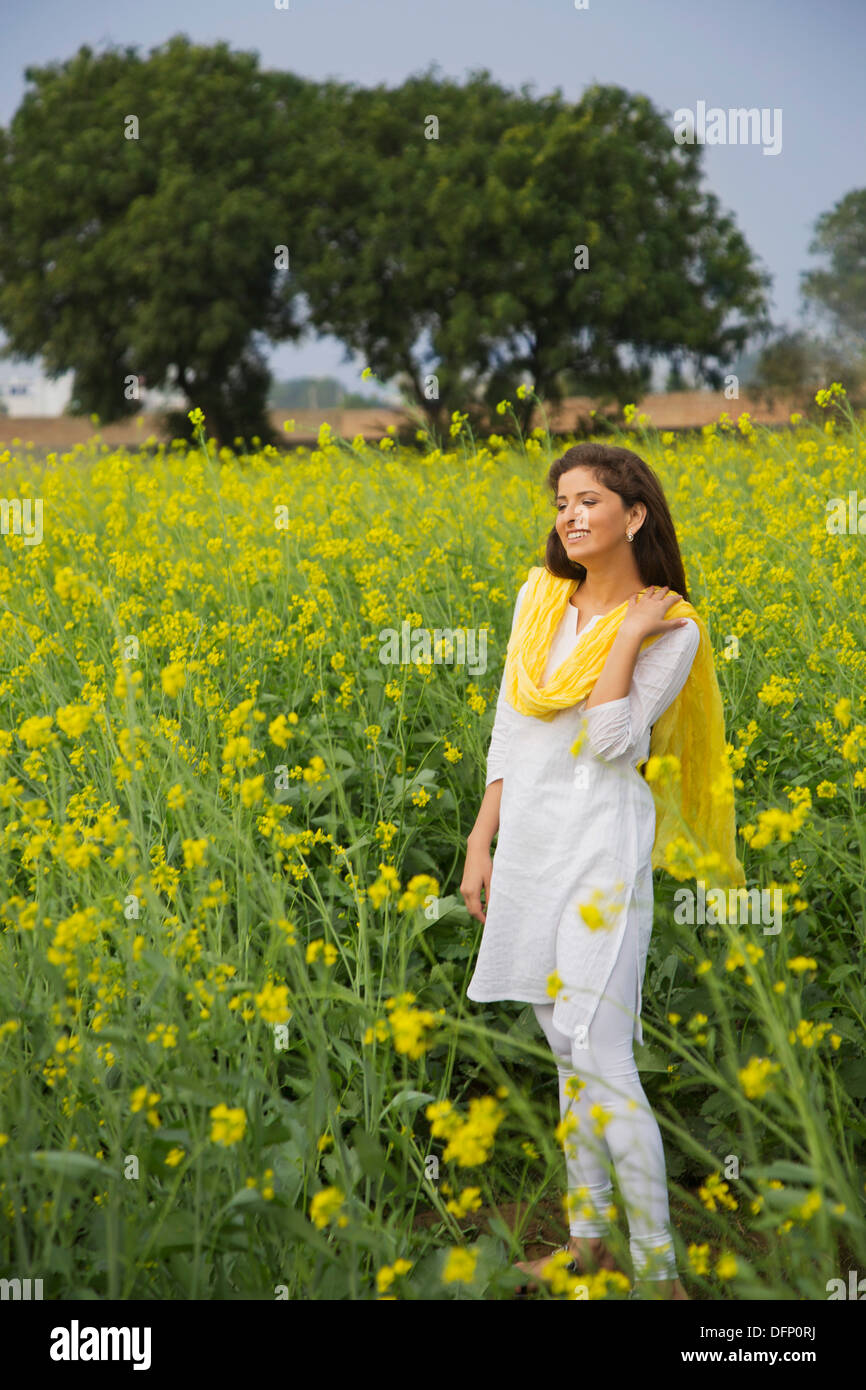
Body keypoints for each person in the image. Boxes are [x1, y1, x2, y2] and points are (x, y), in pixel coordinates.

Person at [460, 442, 743, 1301]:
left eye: (589, 501)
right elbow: (514, 726)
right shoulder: (538, 599)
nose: (571, 516)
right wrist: (482, 840)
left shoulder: (675, 626)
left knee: (601, 1051)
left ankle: (662, 1280)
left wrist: (624, 638)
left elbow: (614, 742)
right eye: (560, 504)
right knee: (560, 1045)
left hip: (603, 850)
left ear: (635, 515)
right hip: (533, 846)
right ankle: (588, 1249)